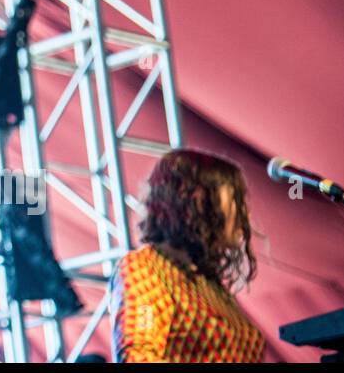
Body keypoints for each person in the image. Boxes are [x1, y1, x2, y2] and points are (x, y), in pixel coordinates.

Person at [109, 149, 265, 362]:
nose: (245, 213)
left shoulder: (204, 281)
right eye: (236, 199)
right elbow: (138, 356)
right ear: (195, 200)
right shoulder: (146, 268)